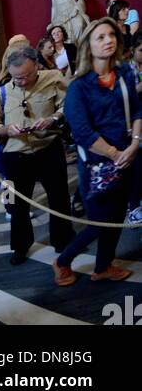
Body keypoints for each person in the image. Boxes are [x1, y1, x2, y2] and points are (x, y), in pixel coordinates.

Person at [54, 17, 142, 285]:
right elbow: (82, 132)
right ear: (87, 46)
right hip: (97, 162)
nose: (108, 40)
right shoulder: (79, 86)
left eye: (111, 35)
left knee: (117, 218)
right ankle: (63, 260)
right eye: (100, 37)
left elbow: (138, 110)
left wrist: (135, 144)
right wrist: (116, 154)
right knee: (97, 222)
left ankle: (103, 265)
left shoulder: (126, 73)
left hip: (129, 156)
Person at [0, 45, 74, 266]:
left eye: (26, 76)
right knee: (15, 204)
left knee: (59, 198)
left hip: (48, 149)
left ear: (37, 66)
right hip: (15, 156)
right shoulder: (2, 92)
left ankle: (63, 240)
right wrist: (6, 130)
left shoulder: (53, 79)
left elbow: (68, 104)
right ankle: (20, 246)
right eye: (16, 78)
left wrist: (53, 119)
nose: (21, 81)